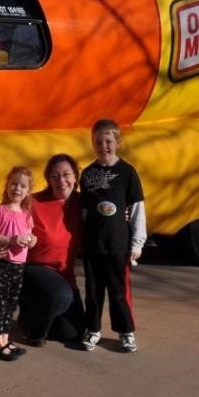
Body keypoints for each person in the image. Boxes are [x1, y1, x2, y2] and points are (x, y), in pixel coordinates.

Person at [78, 118, 147, 353]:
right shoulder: (87, 174)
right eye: (98, 142)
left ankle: (126, 332)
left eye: (108, 141)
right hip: (93, 245)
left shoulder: (127, 172)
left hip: (118, 244)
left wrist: (137, 243)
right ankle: (93, 329)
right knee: (93, 291)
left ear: (117, 141)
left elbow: (137, 209)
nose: (103, 146)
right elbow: (84, 211)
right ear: (92, 143)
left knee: (119, 292)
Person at [17, 153, 86, 346]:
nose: (61, 180)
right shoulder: (34, 202)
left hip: (65, 273)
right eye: (55, 176)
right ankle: (33, 329)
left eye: (66, 174)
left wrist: (122, 213)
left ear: (75, 176)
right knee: (60, 297)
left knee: (73, 333)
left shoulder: (83, 202)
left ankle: (42, 310)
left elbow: (108, 210)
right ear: (48, 179)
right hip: (35, 268)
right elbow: (9, 213)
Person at [0, 165, 36, 361]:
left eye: (23, 186)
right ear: (7, 186)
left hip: (19, 265)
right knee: (1, 303)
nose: (17, 189)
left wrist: (33, 240)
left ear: (28, 191)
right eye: (14, 184)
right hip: (2, 264)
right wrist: (10, 240)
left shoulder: (26, 214)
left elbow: (29, 235)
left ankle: (5, 338)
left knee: (12, 304)